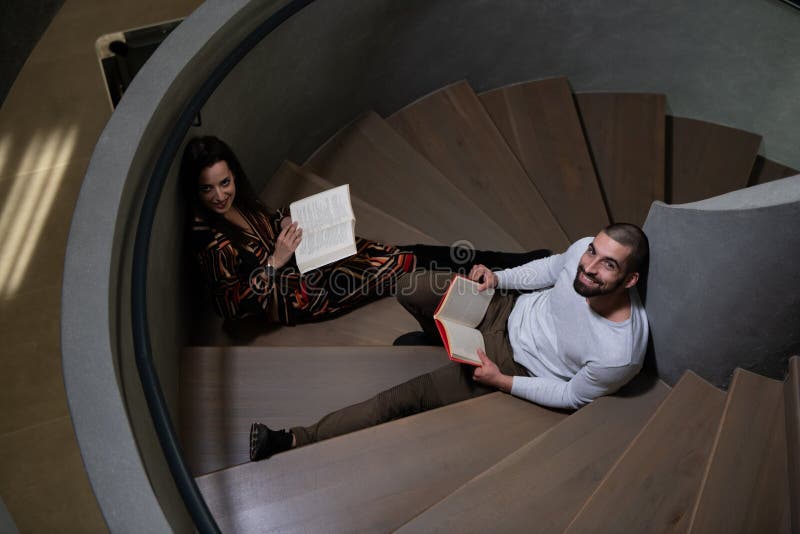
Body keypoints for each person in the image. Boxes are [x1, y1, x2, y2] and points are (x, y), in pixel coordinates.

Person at [249, 223, 650, 461]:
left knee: (402, 398)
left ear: (630, 280)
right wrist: (499, 278)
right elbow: (549, 266)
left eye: (607, 265)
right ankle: (438, 337)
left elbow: (571, 396)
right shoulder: (583, 250)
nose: (589, 267)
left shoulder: (618, 354)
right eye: (593, 252)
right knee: (410, 287)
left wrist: (501, 381)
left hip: (513, 364)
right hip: (504, 308)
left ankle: (294, 438)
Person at [181, 135, 550, 326]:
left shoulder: (240, 201)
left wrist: (283, 222)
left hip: (309, 257)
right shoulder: (210, 243)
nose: (219, 195)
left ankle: (511, 265)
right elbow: (229, 307)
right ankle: (508, 277)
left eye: (224, 182)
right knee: (409, 266)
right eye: (207, 189)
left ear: (234, 177)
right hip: (304, 293)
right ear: (194, 190)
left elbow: (271, 215)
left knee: (414, 253)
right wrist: (276, 261)